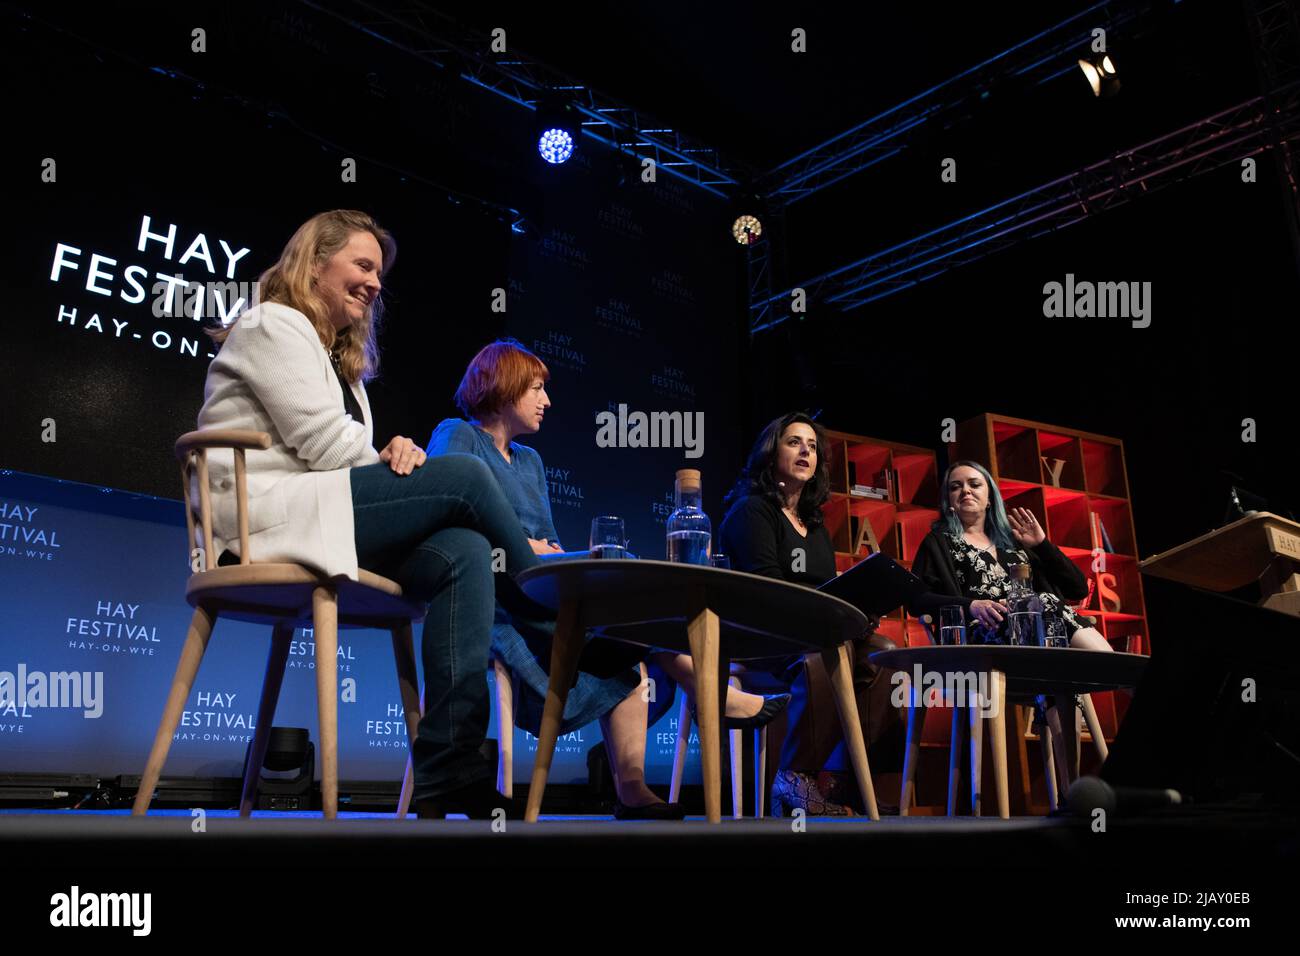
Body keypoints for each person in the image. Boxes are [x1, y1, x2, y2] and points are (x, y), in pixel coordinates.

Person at [196, 209, 569, 819]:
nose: (374, 282)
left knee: (466, 552)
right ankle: (549, 613)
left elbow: (339, 448)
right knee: (467, 475)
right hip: (264, 524)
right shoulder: (272, 324)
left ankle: (450, 766)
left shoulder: (340, 365)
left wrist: (388, 451)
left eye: (379, 273)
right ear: (315, 262)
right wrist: (384, 454)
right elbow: (321, 442)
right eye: (362, 265)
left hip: (320, 517)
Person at [425, 339, 683, 819]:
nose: (548, 401)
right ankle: (715, 695)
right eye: (538, 388)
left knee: (629, 644)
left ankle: (632, 792)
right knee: (634, 637)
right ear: (504, 387)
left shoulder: (530, 462)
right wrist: (525, 548)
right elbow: (444, 509)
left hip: (540, 598)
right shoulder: (458, 435)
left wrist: (557, 553)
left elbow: (548, 541)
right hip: (493, 605)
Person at [709, 412, 901, 816]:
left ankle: (844, 779)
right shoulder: (751, 511)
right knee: (823, 654)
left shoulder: (813, 524)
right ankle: (794, 778)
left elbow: (827, 588)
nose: (805, 451)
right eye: (794, 442)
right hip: (760, 634)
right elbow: (767, 587)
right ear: (770, 451)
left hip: (812, 629)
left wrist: (857, 609)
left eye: (812, 446)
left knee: (883, 654)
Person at [909, 460, 1113, 743]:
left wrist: (1041, 545)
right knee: (1044, 602)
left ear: (990, 496)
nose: (965, 491)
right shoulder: (939, 542)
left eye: (974, 484)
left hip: (1038, 639)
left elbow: (1076, 588)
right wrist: (970, 605)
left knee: (1058, 670)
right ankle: (1117, 671)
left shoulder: (1014, 543)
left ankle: (1072, 786)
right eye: (956, 487)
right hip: (985, 638)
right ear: (949, 501)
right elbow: (917, 599)